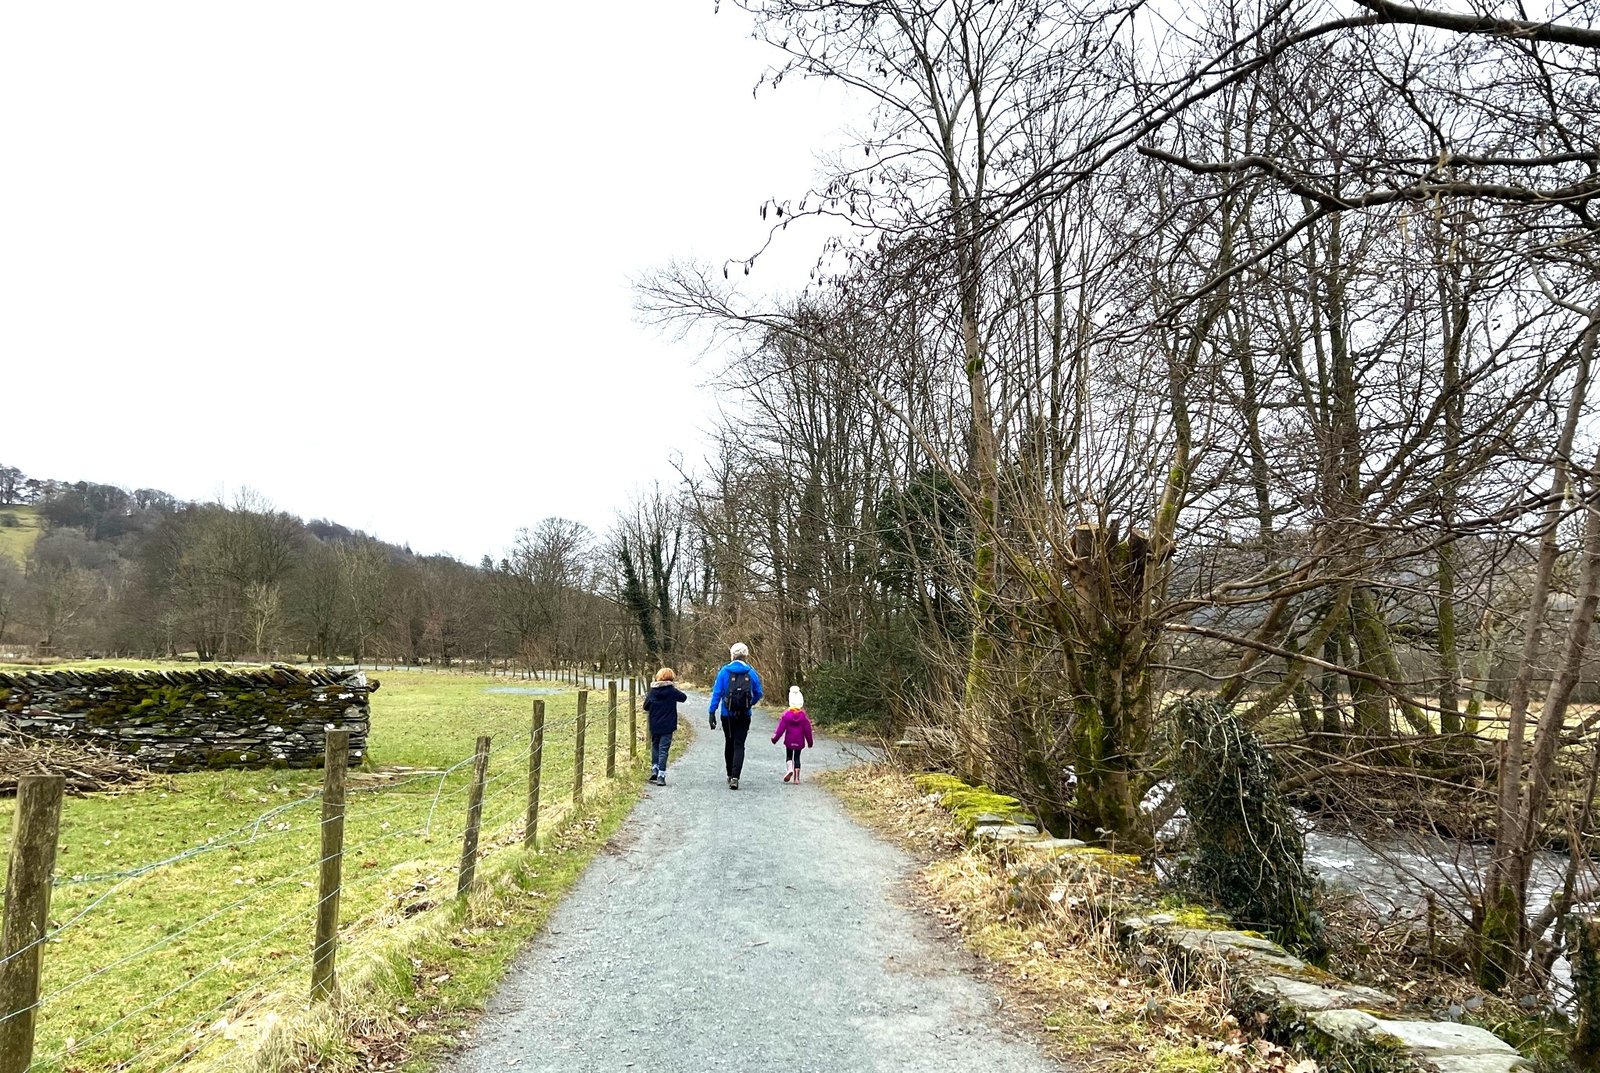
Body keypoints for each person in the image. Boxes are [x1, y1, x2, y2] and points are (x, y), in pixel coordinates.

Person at [708, 641, 763, 790]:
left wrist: (712, 712)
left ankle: (728, 773)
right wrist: (750, 703)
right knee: (740, 744)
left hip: (727, 714)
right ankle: (735, 777)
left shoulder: (724, 672)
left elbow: (717, 693)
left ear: (732, 655)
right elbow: (759, 692)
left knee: (729, 742)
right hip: (745, 714)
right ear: (746, 656)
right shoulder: (751, 672)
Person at [642, 667, 686, 786]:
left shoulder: (653, 691)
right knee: (664, 749)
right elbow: (684, 698)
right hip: (668, 724)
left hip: (655, 724)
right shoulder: (672, 691)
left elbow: (645, 706)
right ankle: (661, 774)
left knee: (655, 746)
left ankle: (654, 769)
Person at [771, 686, 815, 784]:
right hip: (799, 741)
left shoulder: (786, 715)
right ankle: (797, 778)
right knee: (797, 758)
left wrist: (775, 738)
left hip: (789, 740)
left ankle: (789, 769)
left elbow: (780, 729)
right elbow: (808, 731)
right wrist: (810, 743)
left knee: (789, 756)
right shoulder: (803, 716)